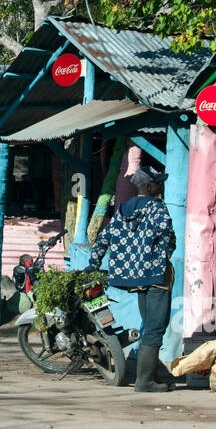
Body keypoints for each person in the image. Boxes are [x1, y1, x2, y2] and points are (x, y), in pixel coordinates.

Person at [90, 167, 176, 392]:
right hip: (156, 275)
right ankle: (145, 382)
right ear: (148, 187)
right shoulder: (158, 208)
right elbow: (168, 237)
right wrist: (164, 254)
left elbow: (103, 239)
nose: (160, 186)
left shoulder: (122, 209)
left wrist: (93, 264)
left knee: (149, 324)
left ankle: (150, 376)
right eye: (157, 183)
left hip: (133, 277)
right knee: (155, 327)